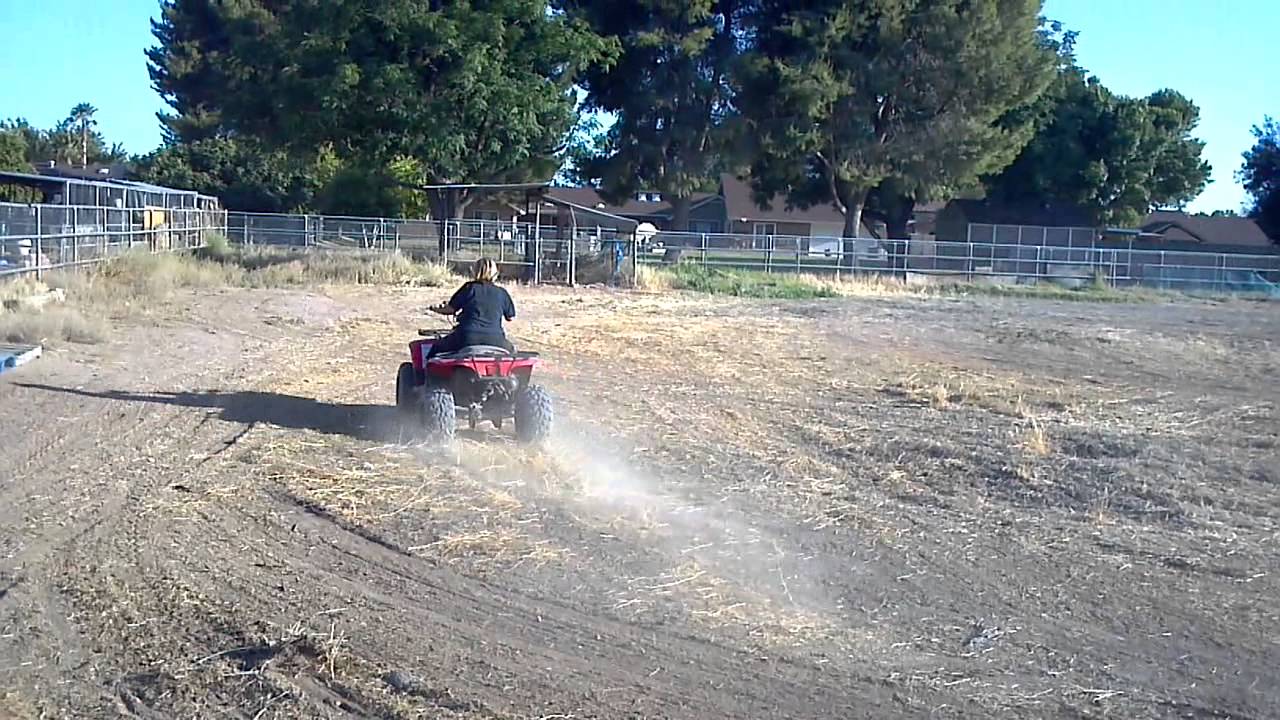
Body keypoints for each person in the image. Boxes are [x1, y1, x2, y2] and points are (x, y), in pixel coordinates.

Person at [425, 257, 516, 357]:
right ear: (495, 273)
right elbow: (510, 317)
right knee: (512, 352)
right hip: (496, 339)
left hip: (467, 337)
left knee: (436, 348)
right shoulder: (502, 293)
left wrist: (435, 309)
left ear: (475, 271)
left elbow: (450, 309)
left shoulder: (469, 288)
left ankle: (426, 372)